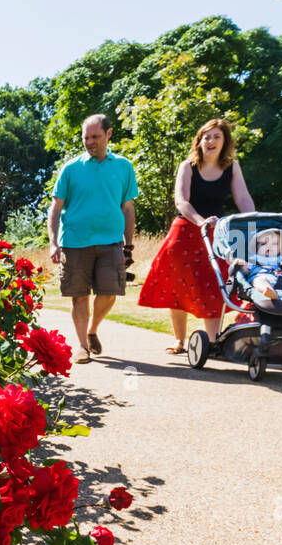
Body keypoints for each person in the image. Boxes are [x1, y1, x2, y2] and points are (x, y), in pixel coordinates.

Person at [137, 118, 256, 354]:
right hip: (185, 233)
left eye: (216, 137)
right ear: (199, 140)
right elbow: (182, 201)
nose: (210, 141)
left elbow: (243, 199)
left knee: (215, 285)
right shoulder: (188, 166)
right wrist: (201, 221)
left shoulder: (231, 167)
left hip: (217, 235)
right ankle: (179, 341)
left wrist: (254, 221)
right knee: (178, 287)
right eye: (206, 136)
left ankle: (213, 342)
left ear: (225, 142)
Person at [47, 114, 138, 365]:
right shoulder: (71, 168)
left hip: (111, 242)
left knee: (110, 292)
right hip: (75, 242)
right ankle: (82, 346)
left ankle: (92, 328)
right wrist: (53, 242)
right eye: (86, 137)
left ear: (108, 134)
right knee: (79, 295)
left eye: (95, 136)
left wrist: (128, 245)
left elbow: (128, 208)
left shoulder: (123, 166)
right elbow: (55, 208)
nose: (90, 142)